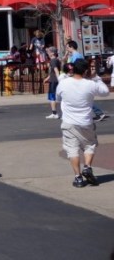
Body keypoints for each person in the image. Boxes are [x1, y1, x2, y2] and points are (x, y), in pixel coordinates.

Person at [56, 58, 110, 187]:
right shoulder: (91, 84)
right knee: (89, 145)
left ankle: (78, 177)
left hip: (69, 122)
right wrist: (96, 77)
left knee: (72, 149)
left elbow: (58, 97)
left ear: (73, 69)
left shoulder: (63, 83)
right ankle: (87, 167)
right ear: (86, 71)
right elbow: (106, 92)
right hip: (86, 121)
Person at [45, 46, 61, 119]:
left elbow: (56, 70)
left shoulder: (53, 61)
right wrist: (47, 78)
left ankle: (54, 113)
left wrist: (59, 79)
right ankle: (54, 113)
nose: (47, 53)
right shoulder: (56, 60)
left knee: (52, 97)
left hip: (54, 81)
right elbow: (52, 72)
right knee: (53, 97)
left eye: (48, 52)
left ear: (52, 53)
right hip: (53, 79)